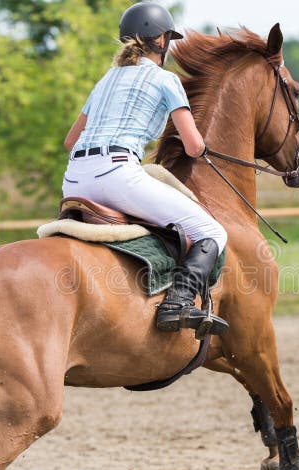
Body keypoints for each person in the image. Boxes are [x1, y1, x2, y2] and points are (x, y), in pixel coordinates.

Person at [61, 2, 228, 336]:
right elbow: (193, 146)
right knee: (212, 232)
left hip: (74, 179)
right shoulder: (165, 79)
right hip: (117, 175)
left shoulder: (105, 80)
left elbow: (70, 141)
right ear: (162, 40)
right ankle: (178, 302)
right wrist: (203, 147)